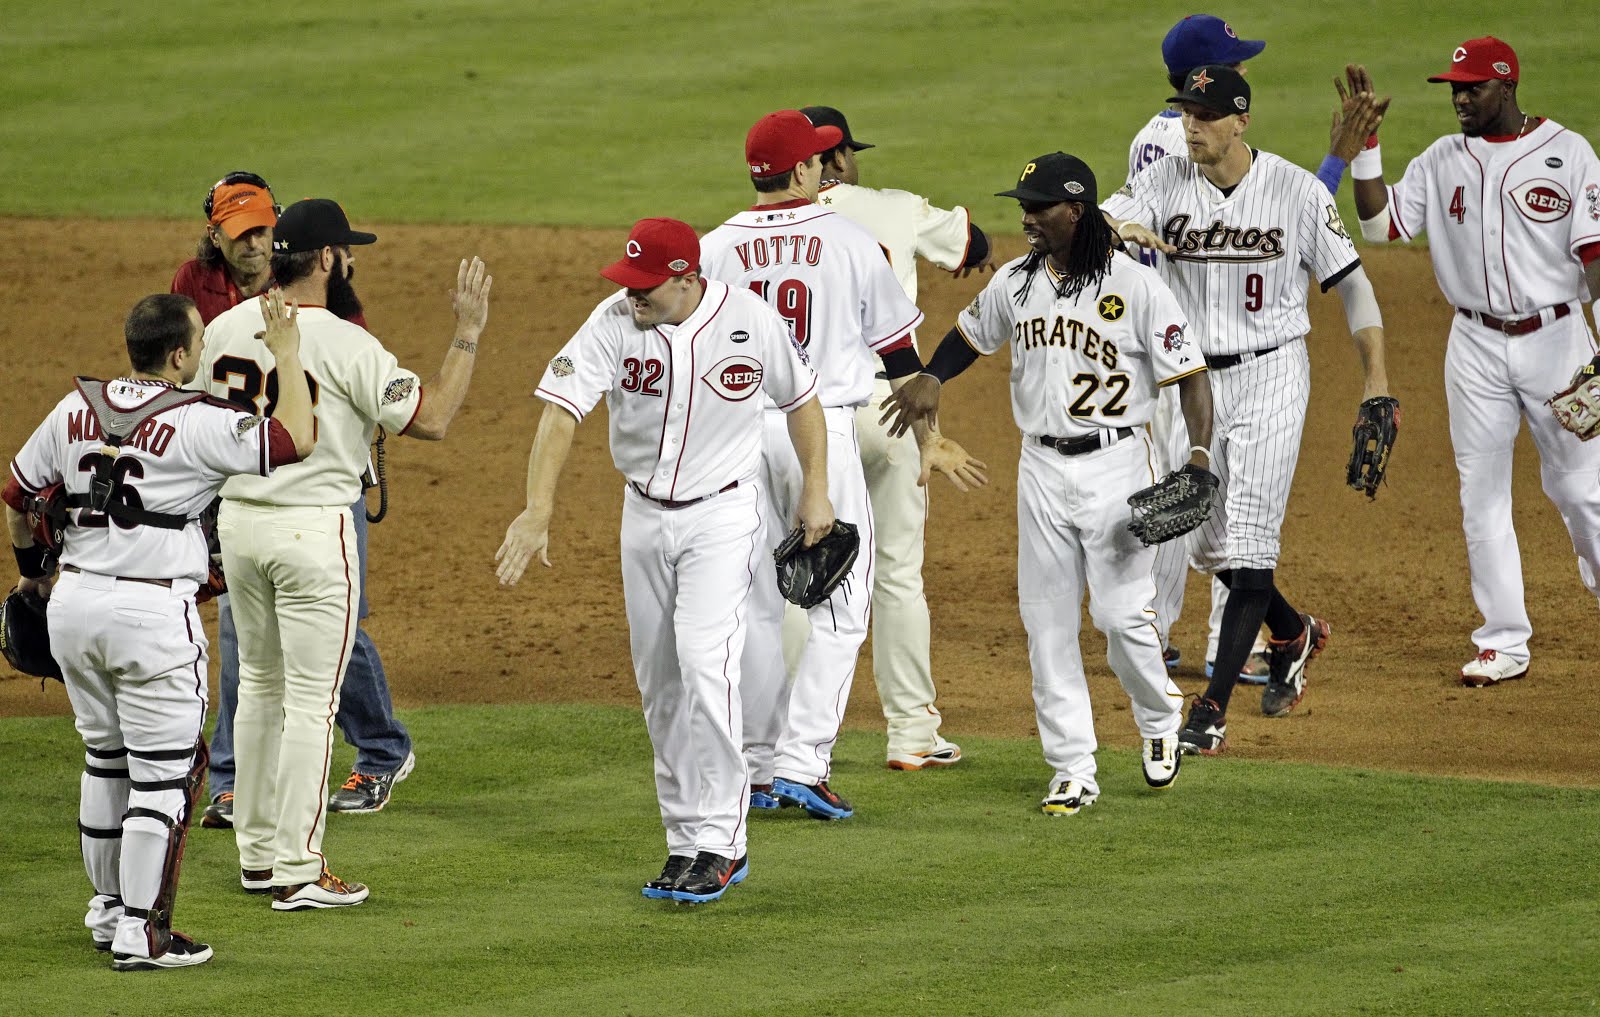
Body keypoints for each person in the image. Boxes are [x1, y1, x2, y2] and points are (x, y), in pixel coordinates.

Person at [495, 218, 830, 903]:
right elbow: (560, 413)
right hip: (643, 516)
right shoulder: (613, 321)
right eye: (629, 282)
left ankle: (724, 841)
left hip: (723, 515)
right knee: (661, 683)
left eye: (646, 285)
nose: (633, 295)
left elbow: (802, 403)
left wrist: (816, 488)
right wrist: (537, 508)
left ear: (687, 278)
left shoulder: (750, 320)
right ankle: (684, 842)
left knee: (706, 664)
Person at [882, 153, 1208, 812]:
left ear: (1076, 211)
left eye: (1038, 207)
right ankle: (1072, 767)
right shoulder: (1016, 281)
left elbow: (1191, 376)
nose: (1026, 218)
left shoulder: (1136, 285)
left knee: (1120, 616)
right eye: (1023, 206)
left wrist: (1199, 457)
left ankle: (1158, 717)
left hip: (1118, 464)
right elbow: (969, 336)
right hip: (1041, 469)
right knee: (1047, 622)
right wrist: (933, 376)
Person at [2, 290, 315, 968]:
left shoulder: (74, 406)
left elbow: (17, 499)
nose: (202, 349)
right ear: (177, 356)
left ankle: (109, 910)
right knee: (164, 777)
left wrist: (30, 577)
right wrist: (287, 354)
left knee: (105, 756)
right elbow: (295, 438)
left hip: (74, 607)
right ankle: (142, 931)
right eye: (197, 341)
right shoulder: (197, 420)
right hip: (150, 616)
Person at [196, 198, 492, 910]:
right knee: (311, 702)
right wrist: (468, 333)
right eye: (346, 250)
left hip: (239, 525)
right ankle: (298, 867)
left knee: (257, 689)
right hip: (313, 532)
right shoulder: (349, 344)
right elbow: (433, 417)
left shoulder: (225, 327)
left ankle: (258, 856)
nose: (351, 260)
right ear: (327, 259)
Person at [699, 110, 985, 820]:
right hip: (820, 427)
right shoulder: (848, 239)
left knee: (761, 602)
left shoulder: (715, 247)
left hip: (739, 434)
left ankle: (758, 766)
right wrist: (928, 438)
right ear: (805, 169)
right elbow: (899, 356)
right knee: (844, 602)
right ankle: (803, 762)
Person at [1102, 66, 1396, 754]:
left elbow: (1353, 286)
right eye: (1185, 113)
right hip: (1192, 384)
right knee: (1205, 544)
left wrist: (1377, 378)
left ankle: (1210, 710)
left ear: (1241, 121)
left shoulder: (1297, 191)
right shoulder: (1162, 180)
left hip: (1272, 374)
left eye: (1205, 115)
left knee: (1254, 541)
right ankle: (1292, 633)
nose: (1192, 126)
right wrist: (1118, 227)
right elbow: (1100, 219)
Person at [1348, 39, 1600, 686]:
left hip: (1558, 340)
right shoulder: (1440, 159)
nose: (1459, 98)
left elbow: (1596, 258)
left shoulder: (1570, 153)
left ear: (1506, 86)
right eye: (1453, 88)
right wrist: (1366, 147)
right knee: (1480, 495)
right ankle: (1503, 640)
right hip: (1474, 346)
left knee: (1581, 490)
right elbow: (1380, 227)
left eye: (1472, 87)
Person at [171, 172, 415, 829]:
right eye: (240, 233)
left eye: (262, 231)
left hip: (320, 485)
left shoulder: (330, 303)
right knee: (246, 643)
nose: (252, 243)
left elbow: (351, 374)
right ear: (216, 236)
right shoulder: (196, 286)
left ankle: (382, 747)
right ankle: (233, 783)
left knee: (337, 633)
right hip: (245, 486)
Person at [776, 104, 995, 771]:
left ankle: (791, 734)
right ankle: (912, 733)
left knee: (800, 571)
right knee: (898, 572)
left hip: (802, 417)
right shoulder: (894, 208)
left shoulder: (765, 230)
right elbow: (975, 245)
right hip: (890, 404)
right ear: (839, 158)